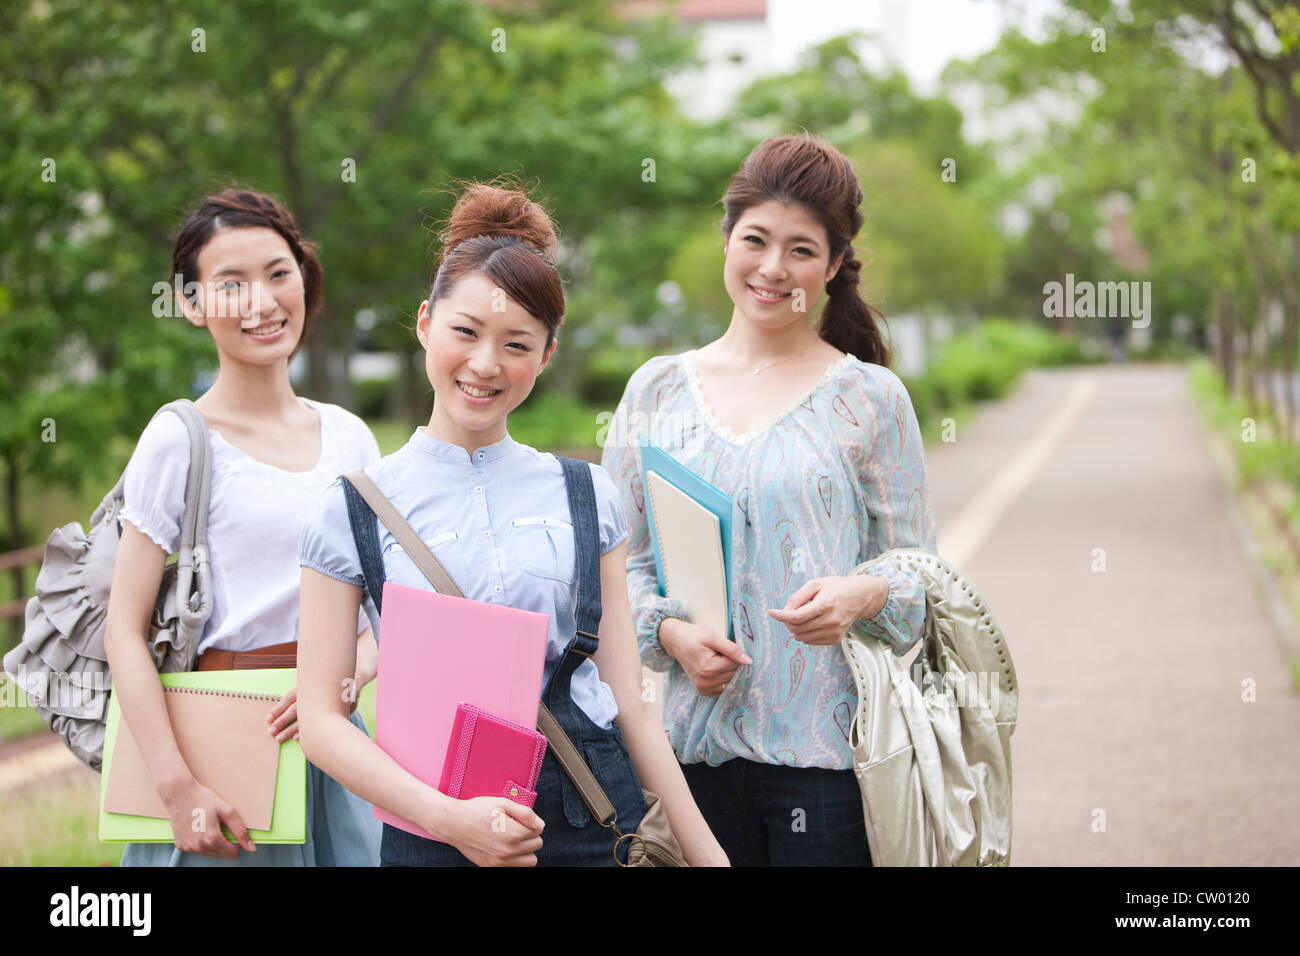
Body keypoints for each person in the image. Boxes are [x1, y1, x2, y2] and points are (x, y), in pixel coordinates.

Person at [295, 181, 728, 867]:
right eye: (465, 332)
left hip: (591, 819)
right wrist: (447, 820)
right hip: (429, 827)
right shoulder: (350, 506)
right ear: (424, 323)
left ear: (547, 355)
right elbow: (320, 721)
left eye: (517, 344)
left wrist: (707, 855)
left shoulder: (586, 492)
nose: (486, 364)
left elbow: (630, 702)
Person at [601, 133, 938, 867]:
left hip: (827, 769)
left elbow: (920, 587)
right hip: (688, 765)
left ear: (835, 264)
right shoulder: (656, 391)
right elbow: (615, 569)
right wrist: (669, 636)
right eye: (755, 239)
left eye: (802, 251)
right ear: (726, 239)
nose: (773, 269)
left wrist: (862, 594)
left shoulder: (869, 398)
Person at [103, 188, 383, 866]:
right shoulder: (180, 439)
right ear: (193, 304)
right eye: (231, 283)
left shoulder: (349, 437)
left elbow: (380, 618)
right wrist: (175, 785)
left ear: (304, 281)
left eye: (277, 273)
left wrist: (344, 682)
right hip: (223, 746)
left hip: (338, 744)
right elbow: (123, 631)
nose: (262, 302)